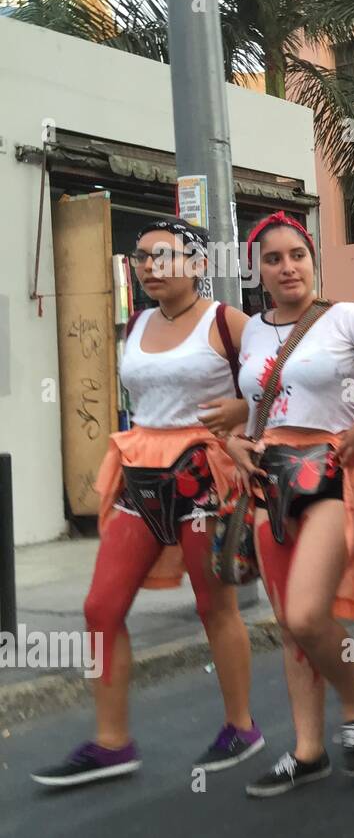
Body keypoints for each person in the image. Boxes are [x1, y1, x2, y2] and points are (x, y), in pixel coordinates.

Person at [32, 221, 260, 786]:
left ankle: (241, 726)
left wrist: (242, 414)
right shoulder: (136, 323)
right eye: (141, 258)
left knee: (215, 607)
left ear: (199, 264)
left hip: (204, 475)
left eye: (165, 256)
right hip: (141, 475)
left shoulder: (227, 323)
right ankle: (112, 742)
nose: (151, 266)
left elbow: (273, 386)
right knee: (100, 608)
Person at [227, 212, 354, 797]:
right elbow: (253, 410)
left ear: (312, 258)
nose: (287, 267)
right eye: (273, 259)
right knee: (291, 627)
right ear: (258, 271)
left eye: (296, 254)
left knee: (305, 613)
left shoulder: (345, 317)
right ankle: (307, 750)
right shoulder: (250, 332)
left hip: (330, 472)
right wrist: (234, 443)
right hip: (271, 481)